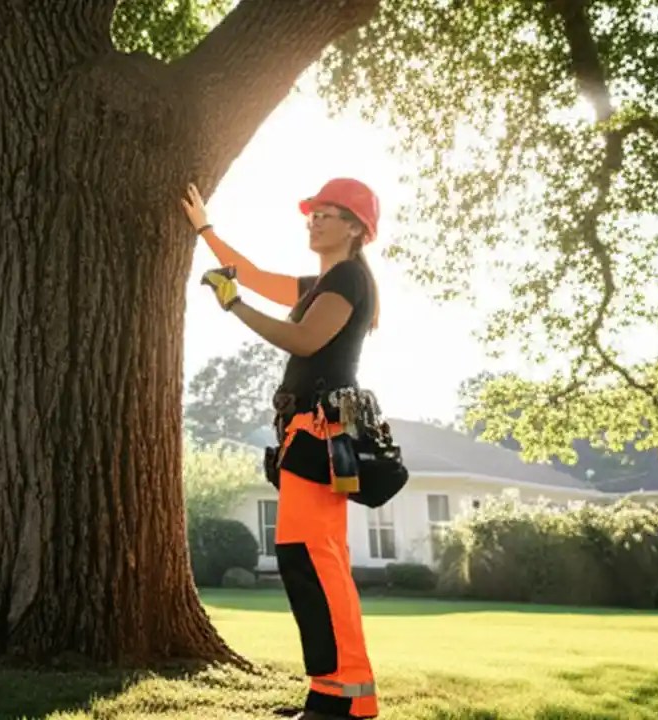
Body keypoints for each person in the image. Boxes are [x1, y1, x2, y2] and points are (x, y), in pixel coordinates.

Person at [181, 178, 382, 720]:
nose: (314, 220)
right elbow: (251, 271)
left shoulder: (347, 278)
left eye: (328, 214)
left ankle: (347, 703)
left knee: (315, 562)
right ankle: (331, 694)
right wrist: (205, 230)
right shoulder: (322, 282)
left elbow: (303, 340)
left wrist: (233, 305)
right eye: (313, 213)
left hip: (321, 438)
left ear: (356, 228)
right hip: (305, 437)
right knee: (307, 560)